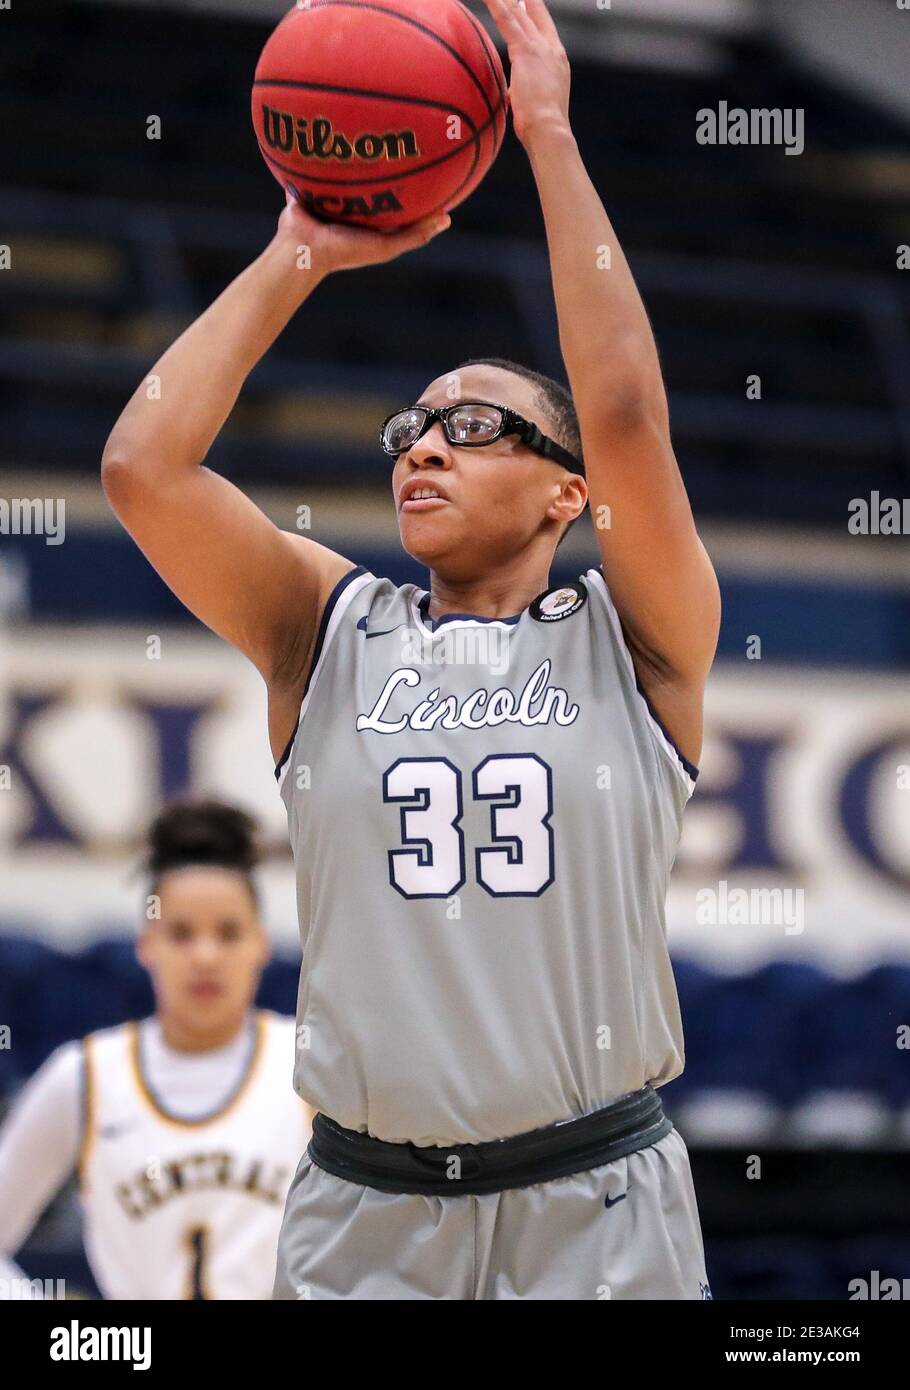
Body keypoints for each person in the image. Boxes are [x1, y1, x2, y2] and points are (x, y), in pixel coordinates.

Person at [101, 0, 720, 1300]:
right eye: (410, 427)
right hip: (364, 1212)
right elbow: (142, 466)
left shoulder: (638, 643)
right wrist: (296, 252)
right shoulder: (325, 628)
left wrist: (544, 131)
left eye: (477, 424)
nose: (423, 445)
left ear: (567, 493)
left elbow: (618, 410)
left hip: (595, 1204)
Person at [0, 798, 310, 1299]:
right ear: (147, 945)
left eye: (228, 933)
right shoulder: (86, 1074)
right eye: (181, 934)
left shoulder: (309, 1063)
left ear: (260, 945)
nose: (205, 956)